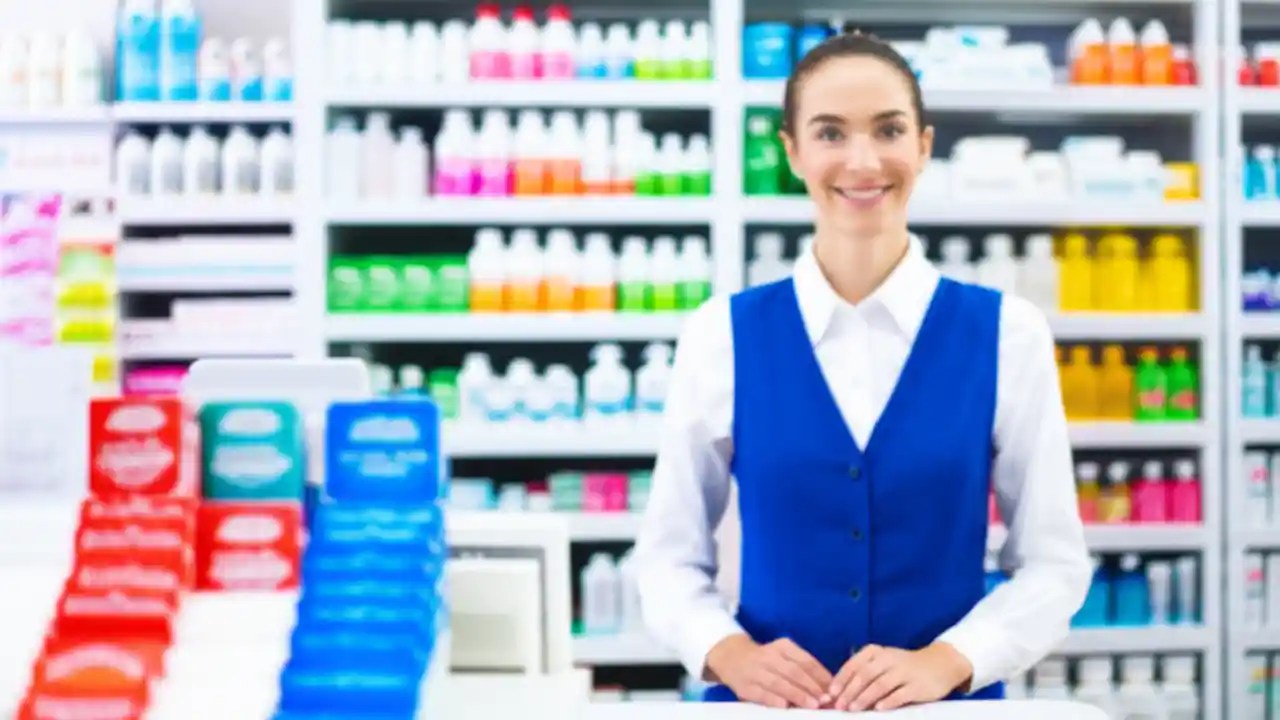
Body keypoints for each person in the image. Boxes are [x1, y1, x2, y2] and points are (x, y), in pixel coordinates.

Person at [631, 32, 1092, 713]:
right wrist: (732, 656)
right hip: (768, 710)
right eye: (830, 133)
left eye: (889, 130)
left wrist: (949, 661)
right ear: (792, 152)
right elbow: (669, 556)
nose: (863, 159)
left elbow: (1054, 563)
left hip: (945, 707)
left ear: (924, 146)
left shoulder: (1006, 335)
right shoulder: (722, 335)